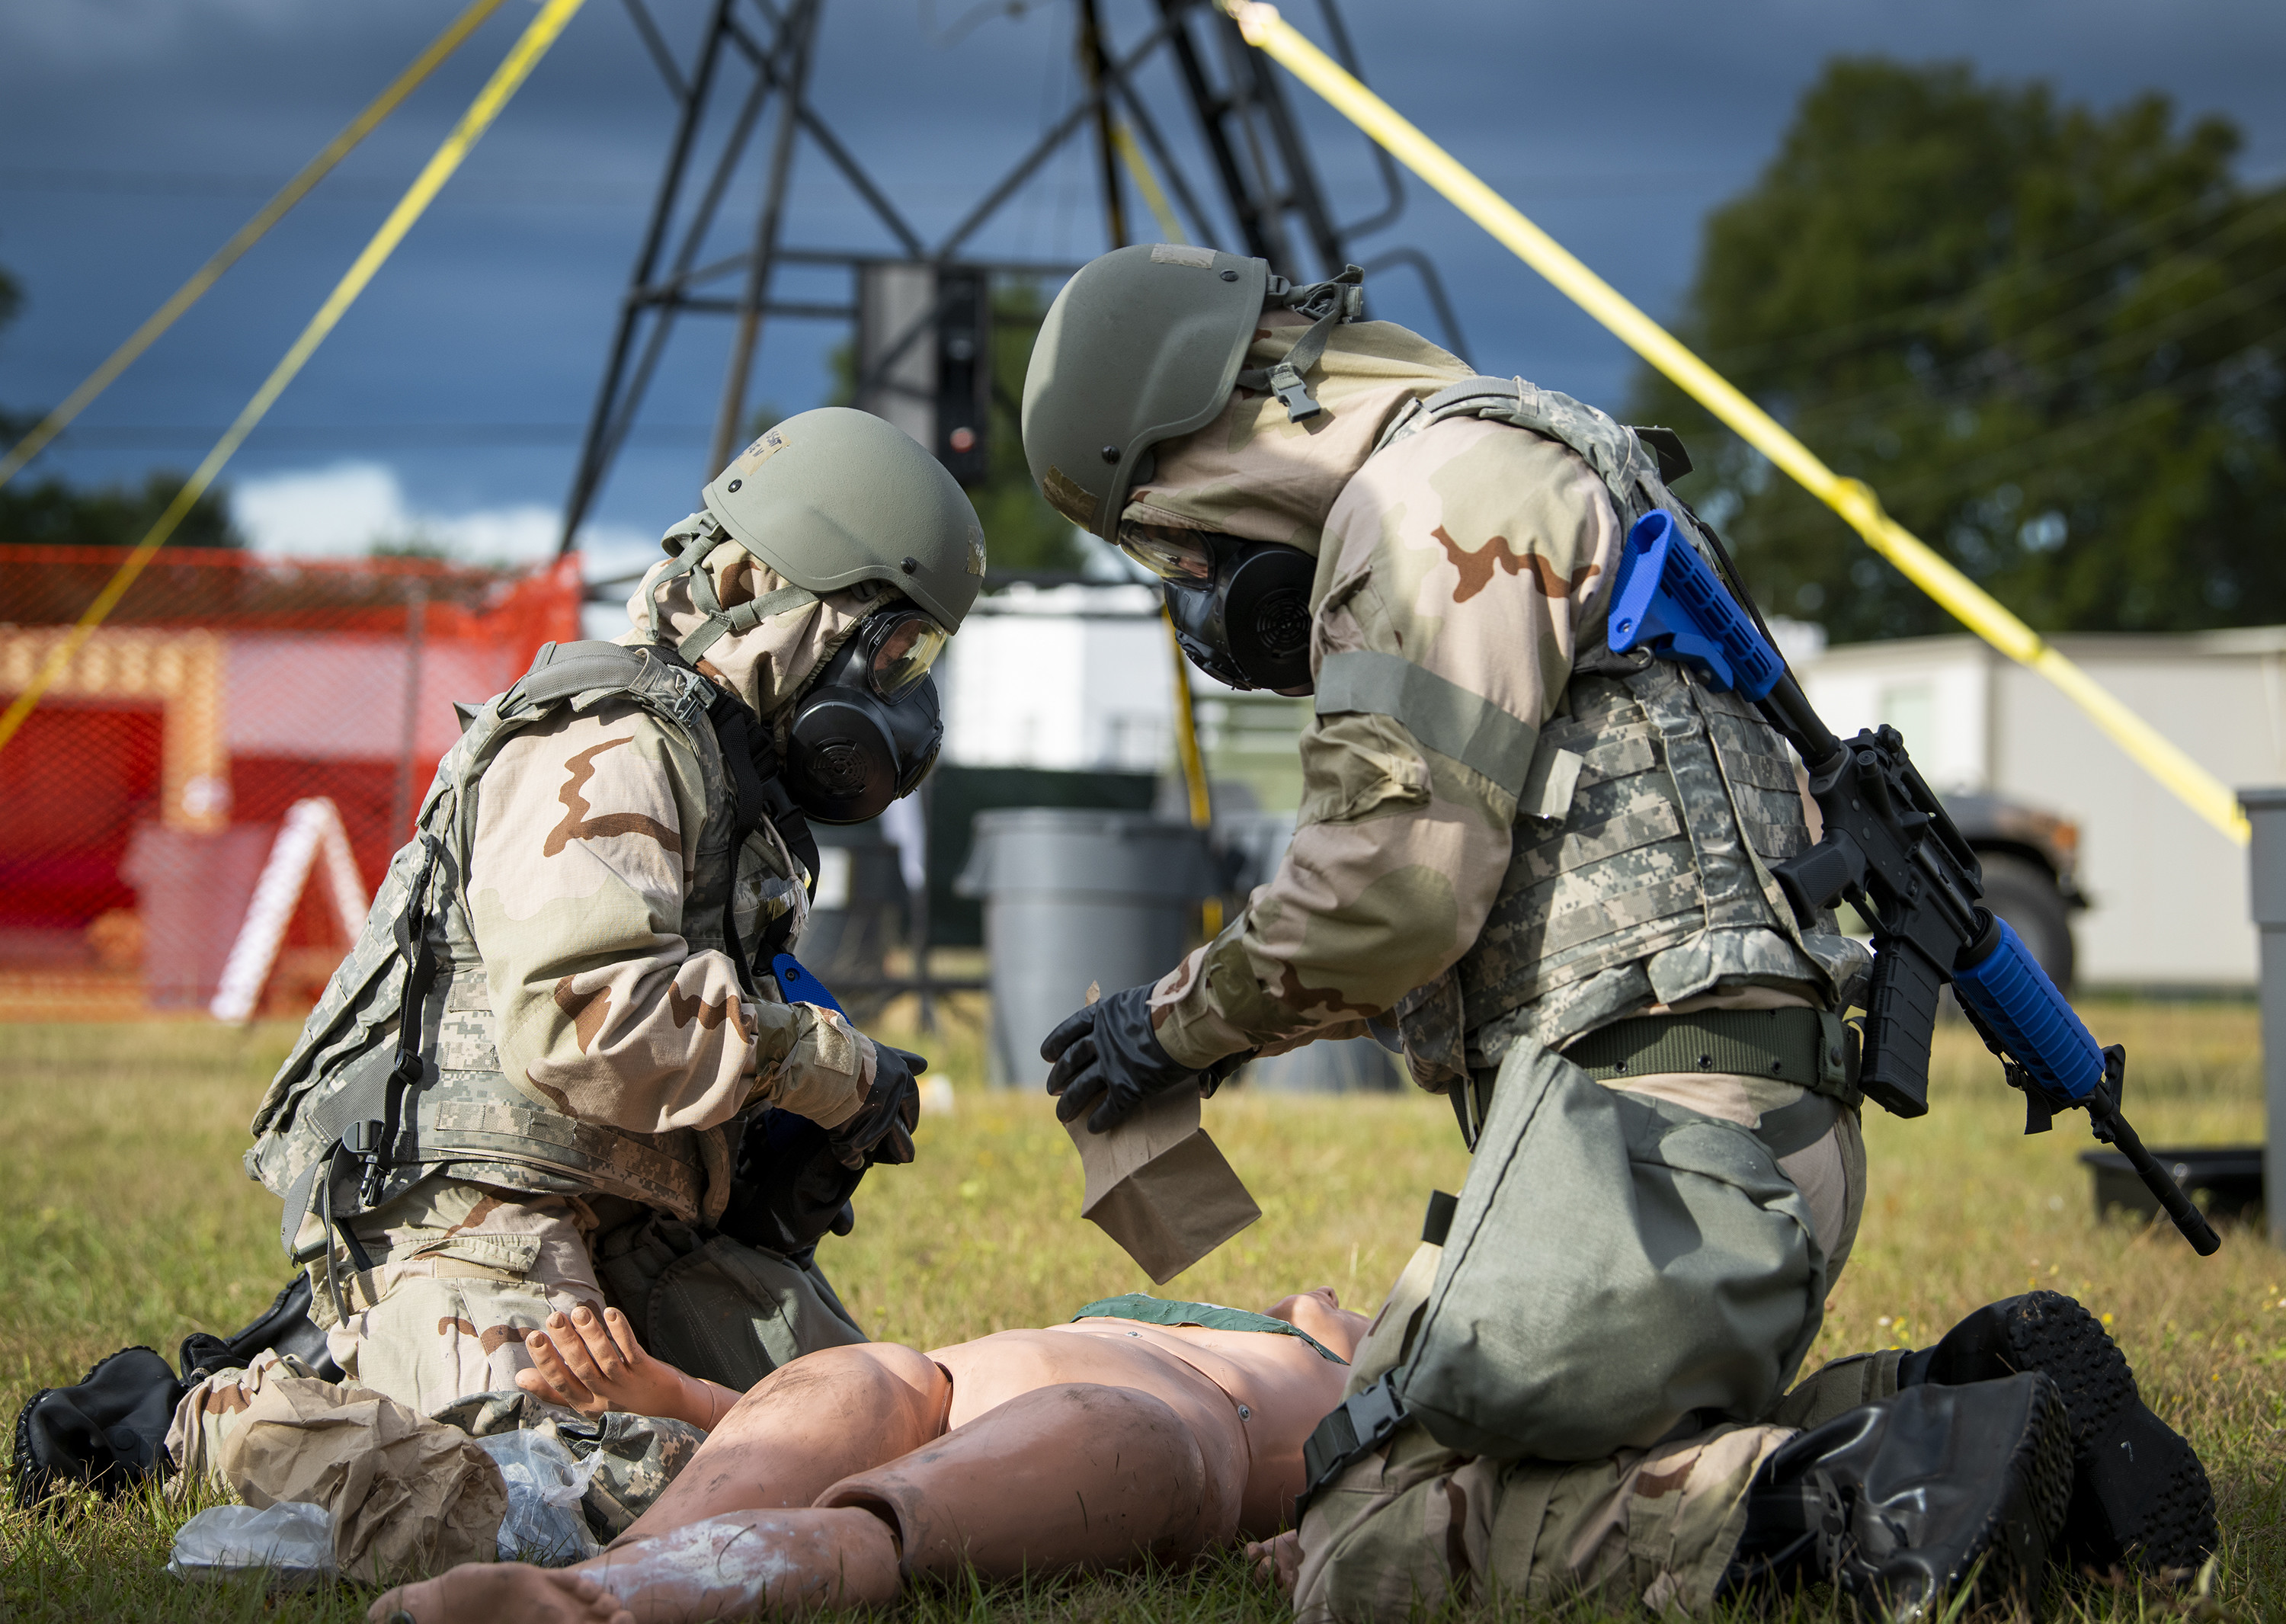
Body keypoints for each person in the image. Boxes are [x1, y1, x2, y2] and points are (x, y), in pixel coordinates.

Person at [1015, 245, 2214, 1615]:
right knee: (1555, 1456)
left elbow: (1389, 893)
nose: (1199, 588)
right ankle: (1976, 1403)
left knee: (1371, 1539)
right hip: (1711, 1126)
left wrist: (1166, 1032)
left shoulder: (1426, 503)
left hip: (1658, 1136)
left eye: (1174, 540)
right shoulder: (1551, 456)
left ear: (1209, 429)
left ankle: (1873, 1505)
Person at [179, 408, 985, 1484]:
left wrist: (799, 1130)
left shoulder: (725, 783)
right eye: (887, 650)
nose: (899, 694)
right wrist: (828, 1066)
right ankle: (222, 1420)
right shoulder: (606, 742)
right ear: (757, 592)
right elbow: (587, 1020)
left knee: (885, 1440)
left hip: (637, 1234)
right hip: (478, 1222)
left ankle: (373, 1371)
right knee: (585, 1497)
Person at [367, 1286, 1372, 1622]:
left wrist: (1327, 1545)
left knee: (875, 1527)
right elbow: (782, 1425)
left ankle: (631, 1600)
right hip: (924, 1378)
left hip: (1151, 1428)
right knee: (845, 1388)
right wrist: (670, 1398)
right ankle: (582, 1587)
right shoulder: (1261, 1324)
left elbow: (1440, 1483)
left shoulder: (1380, 1376)